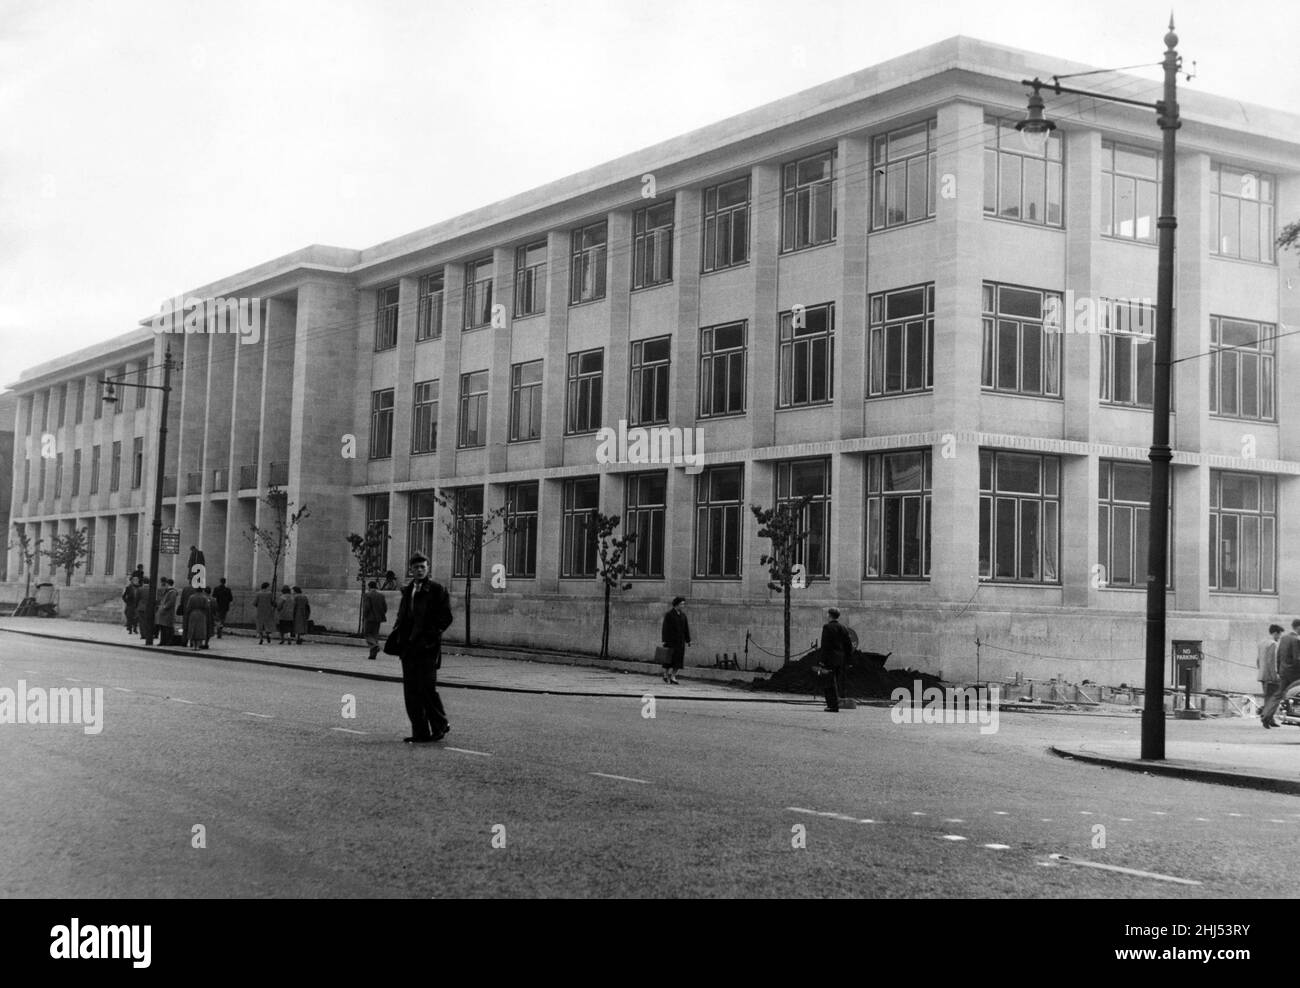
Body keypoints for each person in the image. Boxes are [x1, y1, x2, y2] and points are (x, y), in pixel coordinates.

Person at [389, 553, 453, 743]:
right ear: (411, 570)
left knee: (427, 688)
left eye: (422, 567)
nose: (419, 570)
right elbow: (404, 616)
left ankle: (440, 725)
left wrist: (430, 639)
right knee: (411, 692)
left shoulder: (436, 589)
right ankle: (420, 732)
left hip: (426, 648)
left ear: (428, 569)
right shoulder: (408, 590)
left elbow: (445, 618)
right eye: (416, 567)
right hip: (408, 648)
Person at [819, 607, 854, 713]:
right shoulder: (843, 627)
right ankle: (838, 702)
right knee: (838, 681)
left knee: (829, 682)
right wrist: (848, 659)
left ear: (829, 615)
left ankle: (832, 705)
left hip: (830, 659)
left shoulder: (827, 627)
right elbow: (848, 645)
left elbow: (825, 645)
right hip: (841, 659)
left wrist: (822, 660)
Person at [1258, 624, 1284, 728]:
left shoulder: (1261, 643)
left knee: (1268, 698)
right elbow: (1272, 661)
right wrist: (1275, 676)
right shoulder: (1273, 644)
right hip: (1270, 676)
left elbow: (1258, 660)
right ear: (1275, 633)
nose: (1279, 638)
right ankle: (1266, 718)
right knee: (1273, 698)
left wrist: (1261, 670)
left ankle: (1270, 719)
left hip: (1262, 675)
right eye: (1279, 635)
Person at [660, 596, 690, 685]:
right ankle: (665, 674)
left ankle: (673, 676)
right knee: (669, 659)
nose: (683, 605)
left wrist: (688, 640)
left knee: (678, 660)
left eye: (684, 604)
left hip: (680, 641)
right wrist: (665, 640)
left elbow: (686, 628)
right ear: (677, 604)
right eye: (681, 604)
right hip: (671, 641)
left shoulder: (683, 615)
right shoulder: (669, 614)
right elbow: (665, 628)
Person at [362, 580, 388, 660]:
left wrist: (365, 616)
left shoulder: (367, 595)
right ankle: (372, 655)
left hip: (369, 618)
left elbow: (367, 607)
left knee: (367, 634)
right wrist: (380, 614)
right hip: (378, 618)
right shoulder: (381, 595)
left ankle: (374, 646)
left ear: (369, 587)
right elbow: (385, 608)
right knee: (375, 635)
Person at [154, 578, 179, 646]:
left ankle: (167, 642)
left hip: (168, 613)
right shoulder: (168, 591)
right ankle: (163, 641)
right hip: (164, 613)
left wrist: (164, 607)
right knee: (163, 628)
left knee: (167, 629)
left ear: (168, 584)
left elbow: (171, 602)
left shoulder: (172, 592)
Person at [184, 585, 210, 651]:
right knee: (200, 630)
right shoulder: (204, 597)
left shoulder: (191, 597)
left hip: (193, 614)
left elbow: (188, 607)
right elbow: (207, 607)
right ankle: (198, 645)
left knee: (193, 628)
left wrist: (188, 613)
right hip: (201, 614)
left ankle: (193, 646)